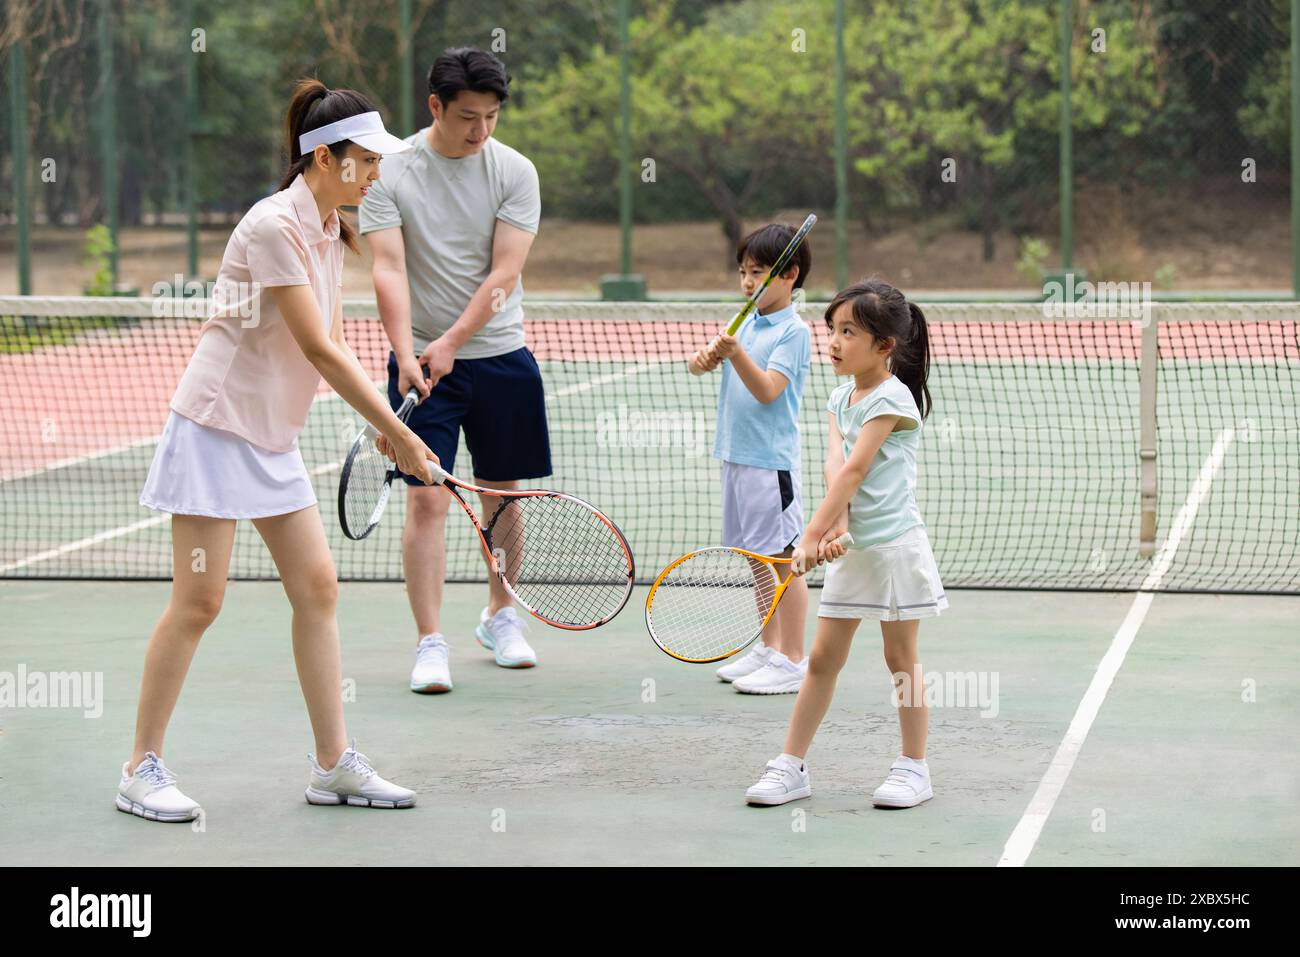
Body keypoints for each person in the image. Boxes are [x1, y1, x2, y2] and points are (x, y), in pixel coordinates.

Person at [120, 80, 432, 822]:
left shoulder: (330, 227)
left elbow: (326, 346)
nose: (377, 172)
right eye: (365, 160)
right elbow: (319, 349)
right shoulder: (272, 226)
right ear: (324, 158)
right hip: (215, 428)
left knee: (318, 588)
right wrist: (399, 431)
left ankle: (332, 763)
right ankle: (140, 766)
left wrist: (388, 421)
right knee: (200, 599)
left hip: (271, 436)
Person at [360, 48, 545, 694]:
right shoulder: (389, 174)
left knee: (502, 495)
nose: (481, 130)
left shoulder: (515, 171)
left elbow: (505, 274)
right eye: (468, 116)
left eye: (492, 116)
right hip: (420, 364)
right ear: (435, 107)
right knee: (428, 497)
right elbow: (386, 266)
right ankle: (429, 640)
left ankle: (501, 613)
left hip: (500, 356)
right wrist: (408, 352)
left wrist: (454, 341)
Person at [744, 278, 947, 809]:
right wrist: (833, 530)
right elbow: (836, 465)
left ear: (885, 346)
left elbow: (858, 468)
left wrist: (809, 536)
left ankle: (914, 767)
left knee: (900, 657)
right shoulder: (840, 394)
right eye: (831, 329)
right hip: (854, 550)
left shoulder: (893, 397)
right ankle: (791, 766)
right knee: (820, 660)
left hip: (895, 551)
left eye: (848, 331)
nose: (833, 341)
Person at [688, 223, 812, 694]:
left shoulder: (793, 333)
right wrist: (704, 360)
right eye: (742, 272)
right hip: (736, 457)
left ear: (789, 275)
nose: (746, 282)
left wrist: (734, 354)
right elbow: (698, 365)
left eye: (757, 272)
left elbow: (766, 391)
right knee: (755, 559)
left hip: (770, 464)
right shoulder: (748, 320)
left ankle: (794, 660)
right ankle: (769, 648)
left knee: (783, 561)